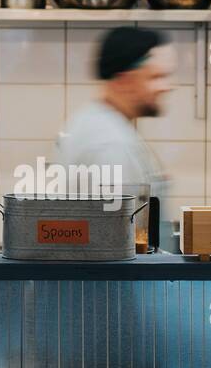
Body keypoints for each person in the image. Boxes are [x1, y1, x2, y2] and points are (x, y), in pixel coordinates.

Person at [56, 27, 173, 222]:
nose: (165, 87)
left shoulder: (100, 122)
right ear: (123, 81)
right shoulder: (109, 144)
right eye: (155, 77)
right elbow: (114, 234)